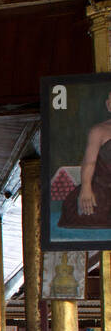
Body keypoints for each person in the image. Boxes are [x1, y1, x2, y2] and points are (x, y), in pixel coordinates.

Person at [59, 90, 111, 228]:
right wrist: (86, 188)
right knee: (88, 212)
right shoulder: (99, 131)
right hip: (103, 186)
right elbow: (89, 162)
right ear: (108, 104)